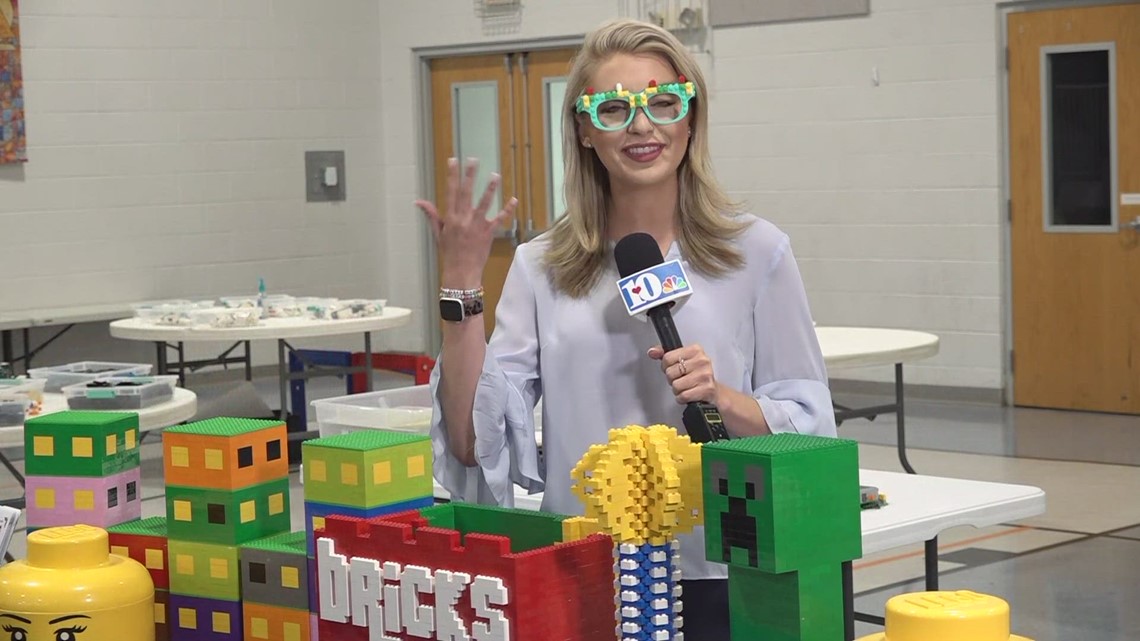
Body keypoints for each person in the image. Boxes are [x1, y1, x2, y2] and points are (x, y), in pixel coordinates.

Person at [415, 17, 836, 640]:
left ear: (691, 121)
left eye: (664, 103)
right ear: (584, 130)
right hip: (581, 567)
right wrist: (461, 287)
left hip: (718, 570)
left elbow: (809, 423)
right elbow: (472, 442)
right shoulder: (541, 267)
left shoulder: (758, 254)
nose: (642, 126)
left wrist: (720, 398)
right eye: (613, 109)